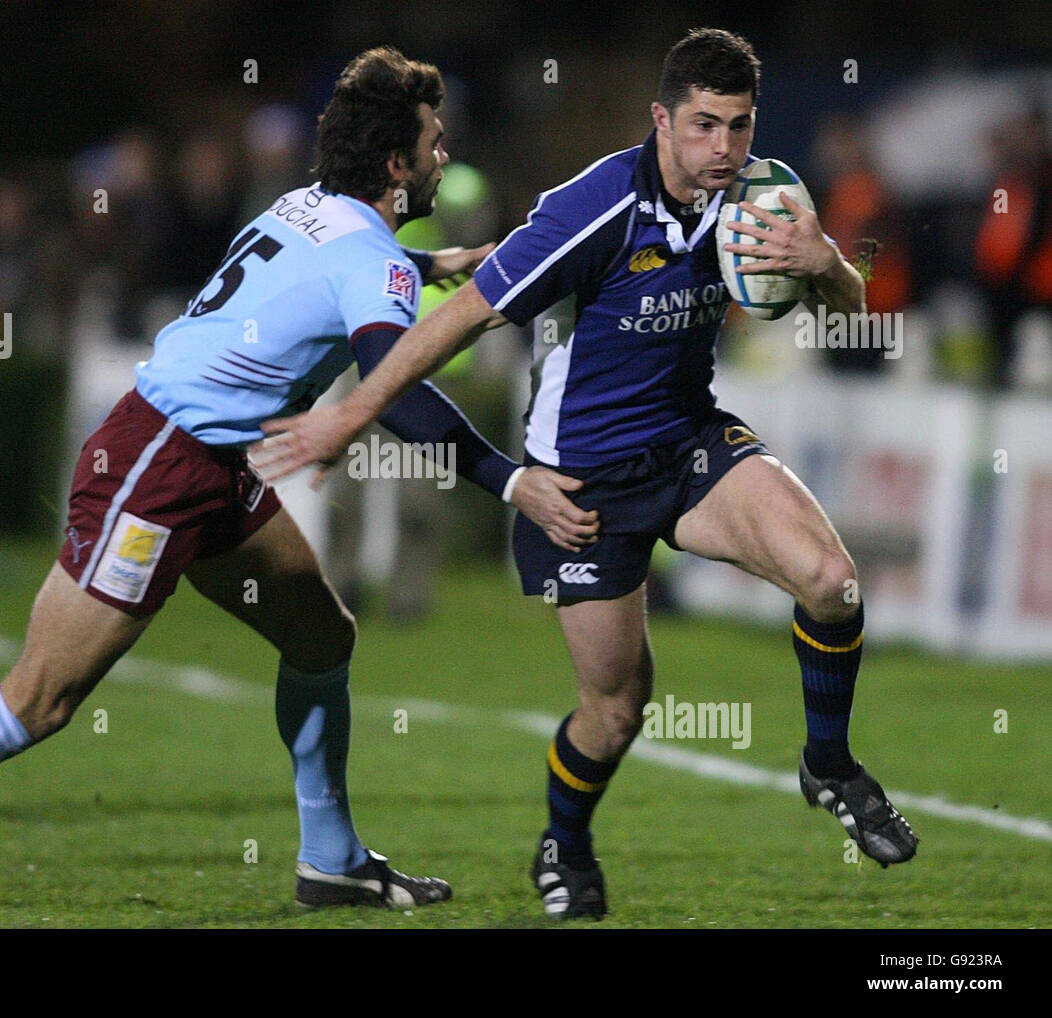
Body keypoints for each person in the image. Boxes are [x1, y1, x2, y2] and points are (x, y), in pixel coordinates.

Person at [0, 46, 596, 913]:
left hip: (212, 464)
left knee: (321, 638)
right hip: (158, 467)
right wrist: (511, 483)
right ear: (396, 165)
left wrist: (436, 266)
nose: (442, 156)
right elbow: (396, 395)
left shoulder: (307, 206)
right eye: (432, 142)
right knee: (42, 699)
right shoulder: (375, 262)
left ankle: (331, 860)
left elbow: (311, 283)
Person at [252, 28, 919, 920]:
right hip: (581, 486)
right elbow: (468, 318)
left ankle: (828, 765)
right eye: (704, 125)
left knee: (831, 582)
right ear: (662, 119)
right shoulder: (592, 206)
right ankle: (564, 844)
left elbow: (852, 303)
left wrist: (825, 263)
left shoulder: (764, 196)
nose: (722, 149)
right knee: (615, 711)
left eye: (740, 127)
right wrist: (352, 409)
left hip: (690, 446)